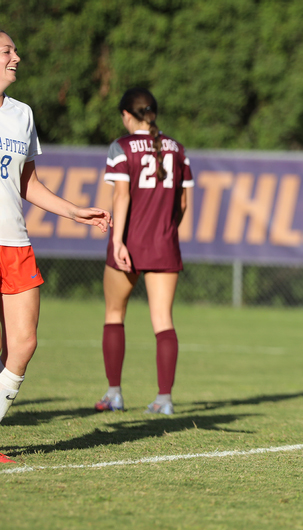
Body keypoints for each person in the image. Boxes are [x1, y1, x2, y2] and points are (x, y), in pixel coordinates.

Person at [0, 28, 111, 463]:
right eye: (7, 51)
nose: (17, 58)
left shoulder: (22, 114)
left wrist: (73, 211)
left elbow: (27, 182)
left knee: (22, 346)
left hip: (16, 243)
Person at [94, 88, 193, 416]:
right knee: (163, 321)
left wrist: (119, 241)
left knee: (114, 314)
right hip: (164, 245)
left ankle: (114, 394)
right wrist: (165, 230)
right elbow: (182, 203)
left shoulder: (120, 147)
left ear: (127, 115)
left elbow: (120, 197)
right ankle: (164, 399)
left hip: (129, 244)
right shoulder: (177, 149)